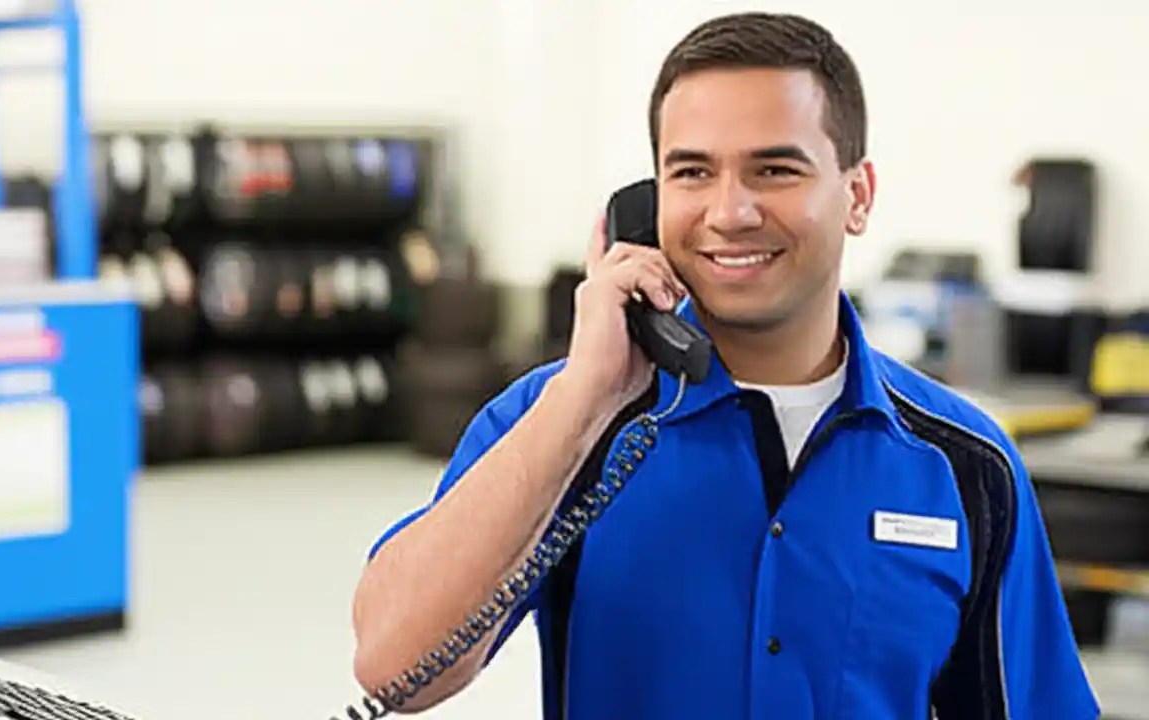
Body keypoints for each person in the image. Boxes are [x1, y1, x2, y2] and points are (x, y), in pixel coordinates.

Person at [350, 11, 1099, 720]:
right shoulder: (560, 422)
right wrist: (584, 403)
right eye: (692, 173)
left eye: (774, 170)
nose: (730, 211)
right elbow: (395, 671)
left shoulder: (964, 465)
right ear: (645, 203)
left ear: (857, 195)